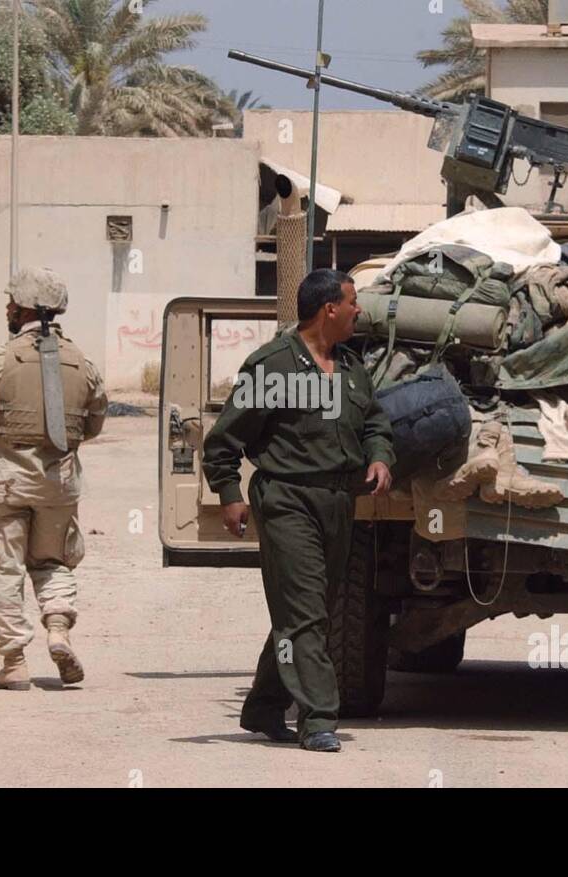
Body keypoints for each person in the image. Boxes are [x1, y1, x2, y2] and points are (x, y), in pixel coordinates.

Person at [202, 269, 394, 752]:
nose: (359, 311)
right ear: (329, 309)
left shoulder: (351, 366)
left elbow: (374, 422)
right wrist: (229, 494)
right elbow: (223, 441)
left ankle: (264, 704)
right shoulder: (272, 367)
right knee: (307, 613)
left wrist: (379, 456)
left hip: (338, 502)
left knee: (307, 611)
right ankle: (318, 719)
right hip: (287, 500)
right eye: (353, 302)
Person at [0, 268, 108, 690]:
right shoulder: (83, 363)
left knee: (4, 566)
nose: (6, 308)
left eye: (10, 302)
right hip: (59, 485)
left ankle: (14, 662)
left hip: (5, 484)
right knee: (51, 562)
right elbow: (93, 424)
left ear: (22, 309)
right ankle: (58, 629)